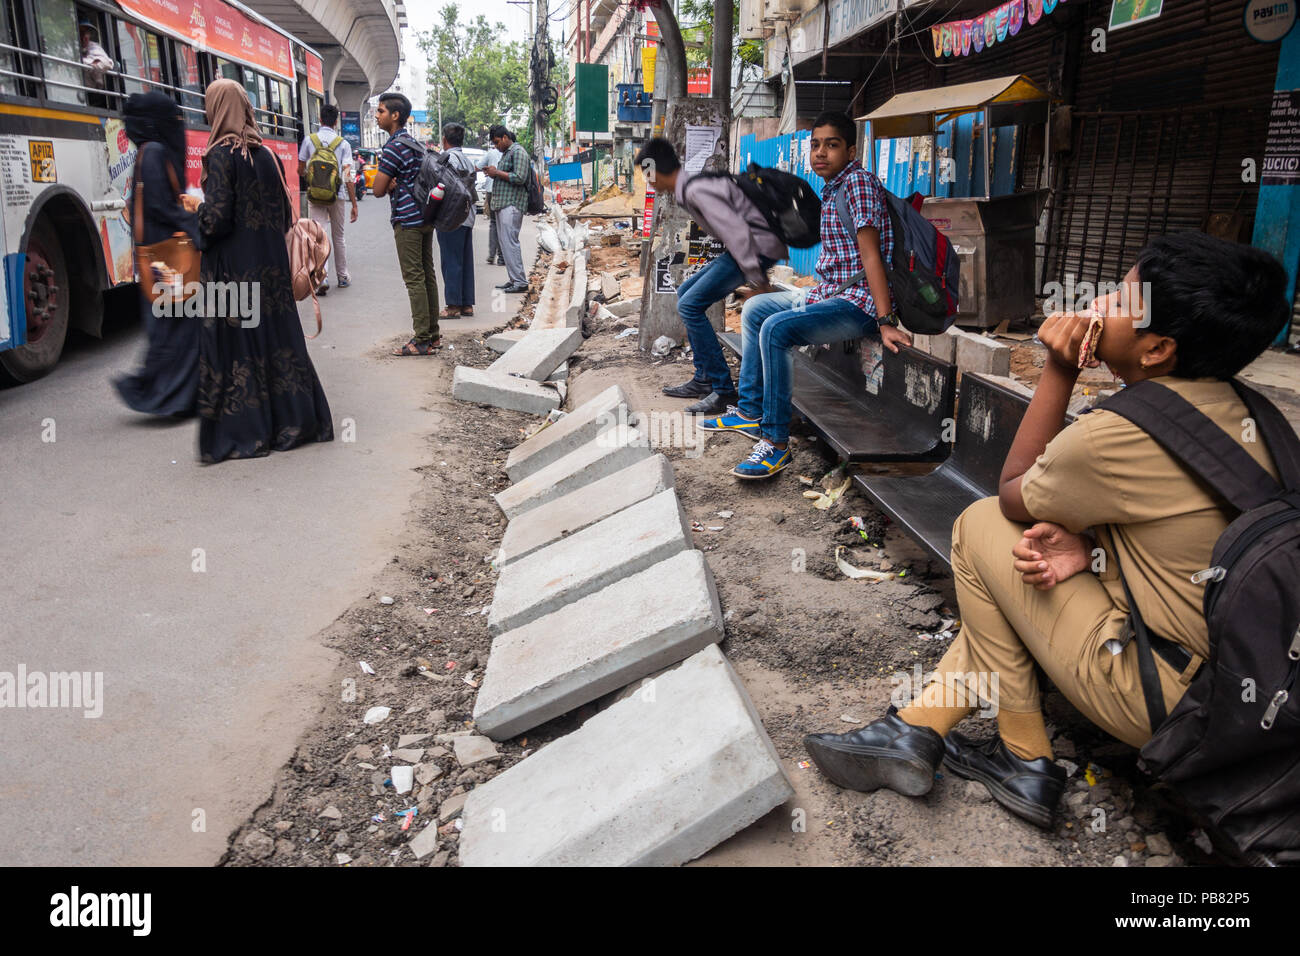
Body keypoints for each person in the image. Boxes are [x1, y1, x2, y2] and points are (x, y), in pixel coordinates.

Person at [803, 233, 1291, 829]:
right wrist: (1092, 552)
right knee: (1025, 566)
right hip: (1242, 687)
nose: (1097, 303)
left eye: (1119, 300)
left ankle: (1023, 755)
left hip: (1163, 701)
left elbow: (1011, 492)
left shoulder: (1120, 435)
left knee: (982, 529)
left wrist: (1059, 368)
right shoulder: (1256, 417)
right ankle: (916, 727)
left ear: (1159, 349)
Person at [700, 110, 911, 479]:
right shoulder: (834, 187)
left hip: (856, 303)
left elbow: (872, 255)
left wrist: (885, 319)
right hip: (828, 294)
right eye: (815, 145)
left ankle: (775, 443)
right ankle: (750, 412)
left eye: (832, 145)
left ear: (851, 149)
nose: (821, 153)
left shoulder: (858, 185)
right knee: (755, 311)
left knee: (777, 330)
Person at [194, 78, 333, 463]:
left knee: (239, 350)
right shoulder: (267, 154)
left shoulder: (222, 154)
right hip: (270, 269)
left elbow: (217, 220)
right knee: (278, 344)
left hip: (235, 270)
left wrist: (196, 212)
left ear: (218, 109)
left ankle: (250, 435)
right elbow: (285, 213)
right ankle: (296, 425)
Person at [633, 137, 788, 415]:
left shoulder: (694, 190)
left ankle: (724, 390)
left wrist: (760, 281)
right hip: (747, 248)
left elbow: (738, 233)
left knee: (689, 305)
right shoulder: (688, 188)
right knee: (686, 295)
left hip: (754, 248)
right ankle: (704, 377)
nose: (648, 182)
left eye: (647, 174)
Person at [112, 92, 200, 418]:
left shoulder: (145, 152)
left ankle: (171, 396)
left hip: (157, 256)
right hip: (168, 258)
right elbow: (161, 208)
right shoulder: (156, 153)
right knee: (177, 328)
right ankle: (171, 399)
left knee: (169, 328)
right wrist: (195, 222)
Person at [371, 92, 441, 355]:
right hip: (425, 216)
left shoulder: (393, 147)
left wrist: (388, 183)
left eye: (380, 112)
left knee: (414, 279)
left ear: (395, 115)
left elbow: (377, 189)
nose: (377, 116)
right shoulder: (414, 143)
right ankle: (433, 335)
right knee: (427, 275)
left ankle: (422, 340)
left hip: (407, 219)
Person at [298, 103, 357, 293]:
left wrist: (313, 179)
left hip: (315, 195)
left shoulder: (309, 140)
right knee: (338, 237)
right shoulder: (344, 144)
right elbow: (348, 176)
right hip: (337, 195)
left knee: (318, 236)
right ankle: (342, 276)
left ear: (320, 119)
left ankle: (321, 278)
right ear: (336, 121)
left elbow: (300, 170)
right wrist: (354, 203)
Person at [435, 122, 476, 318]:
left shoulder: (448, 158)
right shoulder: (466, 160)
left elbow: (442, 187)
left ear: (444, 139)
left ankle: (453, 306)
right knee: (464, 260)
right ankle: (466, 304)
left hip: (452, 216)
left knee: (451, 260)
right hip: (467, 215)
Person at [483, 125, 530, 294]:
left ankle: (520, 281)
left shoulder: (518, 152)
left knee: (510, 243)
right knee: (505, 243)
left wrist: (496, 173)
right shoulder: (508, 153)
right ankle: (514, 279)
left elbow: (520, 177)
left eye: (496, 142)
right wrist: (494, 173)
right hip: (504, 204)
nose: (496, 146)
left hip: (512, 204)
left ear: (504, 137)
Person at [477, 142, 504, 265]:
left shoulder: (491, 153)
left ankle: (492, 254)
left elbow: (477, 166)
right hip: (503, 192)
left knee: (494, 223)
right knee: (502, 224)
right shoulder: (509, 153)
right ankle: (502, 256)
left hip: (491, 190)